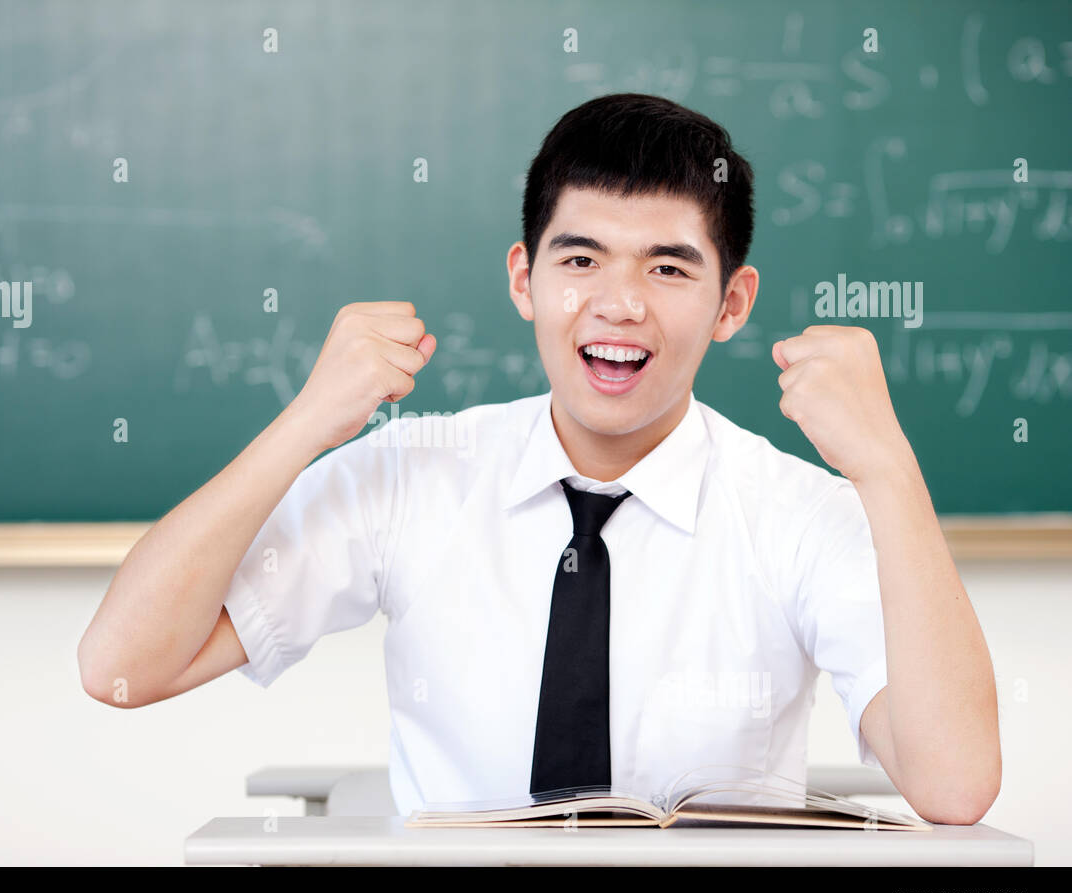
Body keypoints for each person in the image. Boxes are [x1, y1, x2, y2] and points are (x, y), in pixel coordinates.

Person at [77, 93, 1000, 824]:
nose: (620, 304)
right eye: (582, 260)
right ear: (525, 278)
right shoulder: (413, 472)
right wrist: (308, 421)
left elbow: (954, 787)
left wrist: (888, 470)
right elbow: (122, 667)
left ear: (733, 304)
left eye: (669, 268)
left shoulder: (801, 512)